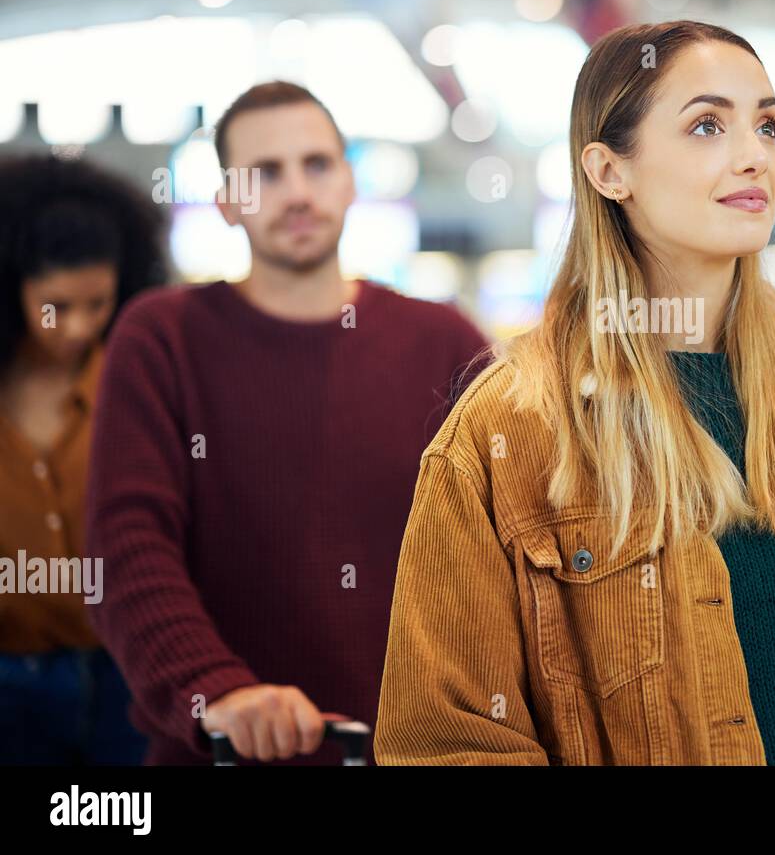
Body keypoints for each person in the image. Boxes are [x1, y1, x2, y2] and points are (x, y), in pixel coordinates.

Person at [374, 21, 775, 766]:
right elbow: (444, 744)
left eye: (768, 125)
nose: (756, 157)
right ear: (610, 171)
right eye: (708, 125)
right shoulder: (509, 433)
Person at [85, 81, 490, 765]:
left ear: (350, 182)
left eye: (317, 165)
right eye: (264, 174)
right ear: (225, 201)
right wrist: (213, 692)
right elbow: (127, 548)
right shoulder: (161, 339)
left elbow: (509, 541)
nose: (297, 192)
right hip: (223, 753)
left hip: (413, 751)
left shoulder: (444, 340)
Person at [0, 153, 164, 764]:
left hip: (120, 675)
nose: (77, 327)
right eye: (55, 306)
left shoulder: (139, 385)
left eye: (97, 304)